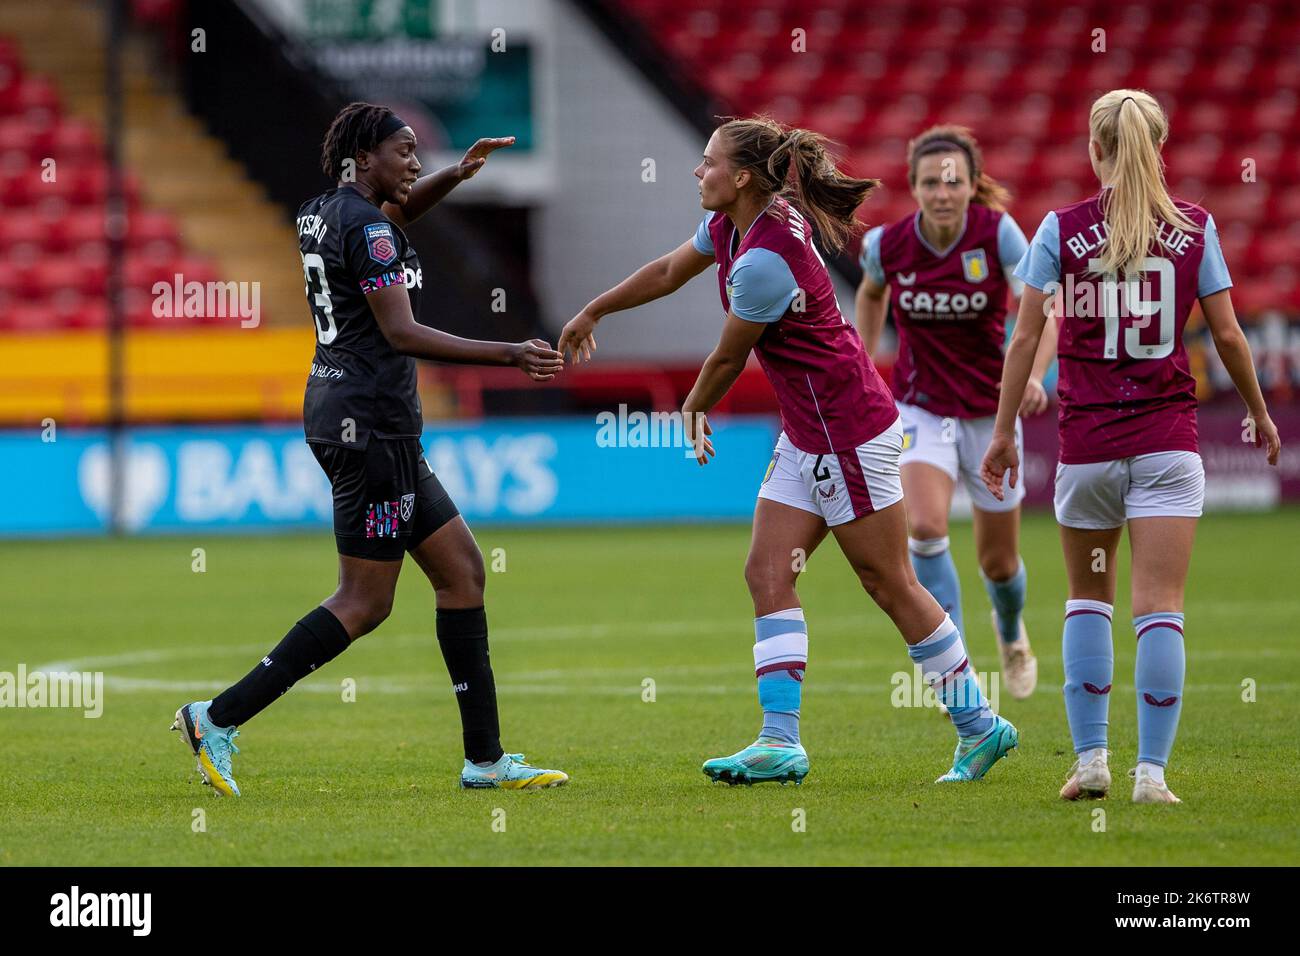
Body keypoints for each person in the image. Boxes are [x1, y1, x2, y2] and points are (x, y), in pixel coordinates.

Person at [560, 117, 1018, 786]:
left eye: (708, 162)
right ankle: (780, 742)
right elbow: (667, 270)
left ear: (742, 177)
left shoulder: (767, 258)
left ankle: (981, 727)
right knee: (767, 572)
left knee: (889, 582)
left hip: (848, 431)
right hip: (810, 433)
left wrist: (689, 411)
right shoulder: (734, 224)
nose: (697, 171)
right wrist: (595, 310)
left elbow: (727, 355)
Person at [171, 102, 569, 794]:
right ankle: (216, 717)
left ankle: (485, 761)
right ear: (365, 159)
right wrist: (508, 351)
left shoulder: (324, 212)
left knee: (463, 573)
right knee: (363, 601)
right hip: (370, 426)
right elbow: (402, 333)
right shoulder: (372, 231)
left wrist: (456, 175)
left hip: (361, 419)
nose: (416, 162)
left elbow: (389, 223)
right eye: (406, 151)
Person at [980, 89, 1281, 804]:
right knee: (1161, 609)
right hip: (1168, 446)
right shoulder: (1194, 228)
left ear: (1095, 148)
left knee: (1089, 600)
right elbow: (1231, 337)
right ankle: (1152, 776)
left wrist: (1001, 431)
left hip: (1087, 449)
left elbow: (1025, 337)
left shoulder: (1061, 228)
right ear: (1161, 146)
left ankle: (1090, 764)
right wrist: (1260, 414)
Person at [855, 125, 1057, 699]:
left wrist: (1035, 376)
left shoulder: (998, 235)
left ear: (971, 186)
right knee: (923, 528)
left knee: (999, 564)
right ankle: (957, 668)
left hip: (991, 417)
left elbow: (1046, 308)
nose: (941, 193)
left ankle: (1012, 631)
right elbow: (871, 293)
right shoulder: (888, 245)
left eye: (953, 183)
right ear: (914, 187)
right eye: (928, 183)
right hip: (921, 410)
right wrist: (868, 363)